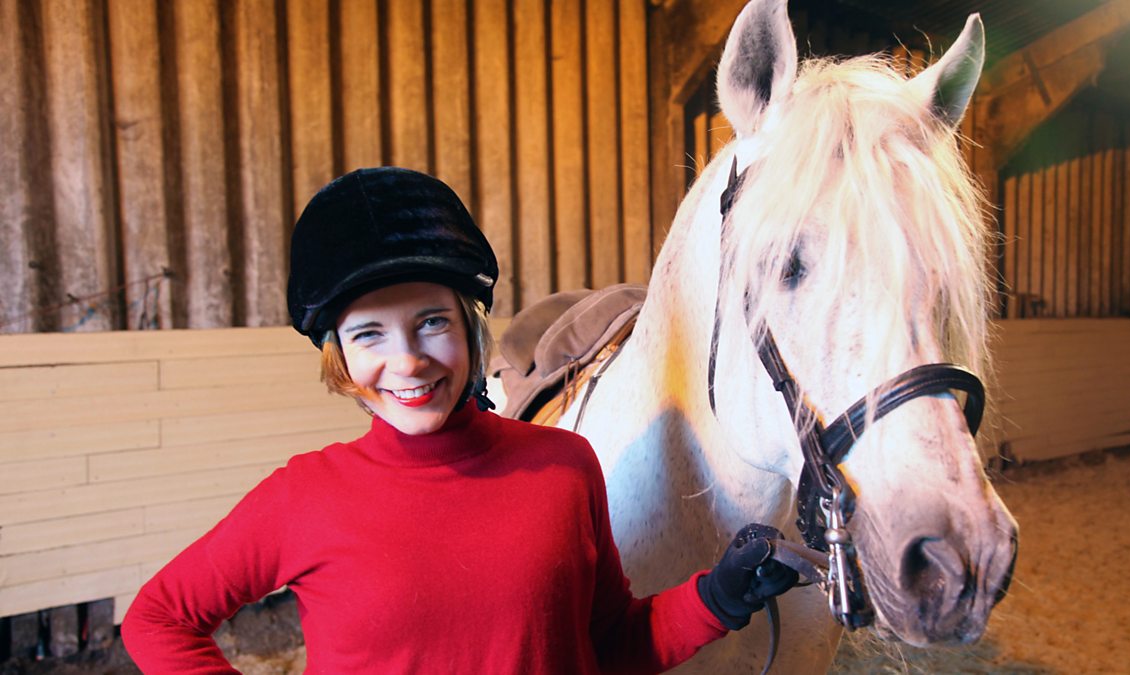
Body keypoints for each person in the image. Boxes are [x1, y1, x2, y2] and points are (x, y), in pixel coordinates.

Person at [121, 167, 798, 673]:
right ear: (339, 355)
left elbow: (611, 644)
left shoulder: (562, 466)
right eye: (370, 336)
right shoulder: (302, 497)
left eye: (431, 322)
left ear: (470, 328)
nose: (409, 361)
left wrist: (717, 596)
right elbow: (158, 617)